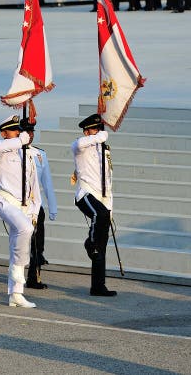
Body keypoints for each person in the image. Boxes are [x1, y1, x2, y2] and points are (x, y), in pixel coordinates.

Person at [0, 115, 40, 308]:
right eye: (12, 130)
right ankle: (18, 269)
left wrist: (35, 209)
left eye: (18, 130)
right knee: (26, 230)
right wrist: (20, 141)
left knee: (16, 243)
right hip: (5, 201)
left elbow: (33, 183)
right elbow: (0, 148)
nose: (17, 133)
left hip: (23, 204)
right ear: (3, 133)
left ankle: (15, 294)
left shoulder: (24, 153)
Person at [72, 114, 117, 297]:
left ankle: (98, 286)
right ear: (86, 131)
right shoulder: (80, 146)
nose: (95, 133)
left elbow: (109, 180)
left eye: (97, 130)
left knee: (102, 243)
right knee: (99, 219)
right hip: (85, 194)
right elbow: (81, 144)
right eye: (92, 130)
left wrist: (110, 206)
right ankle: (88, 243)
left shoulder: (104, 151)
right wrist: (99, 136)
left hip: (102, 197)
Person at [20, 119, 56, 289]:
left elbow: (47, 182)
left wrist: (53, 206)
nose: (30, 135)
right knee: (21, 242)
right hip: (18, 205)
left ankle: (34, 277)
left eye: (32, 132)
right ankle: (18, 278)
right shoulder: (12, 153)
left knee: (38, 241)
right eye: (27, 132)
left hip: (36, 205)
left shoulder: (40, 154)